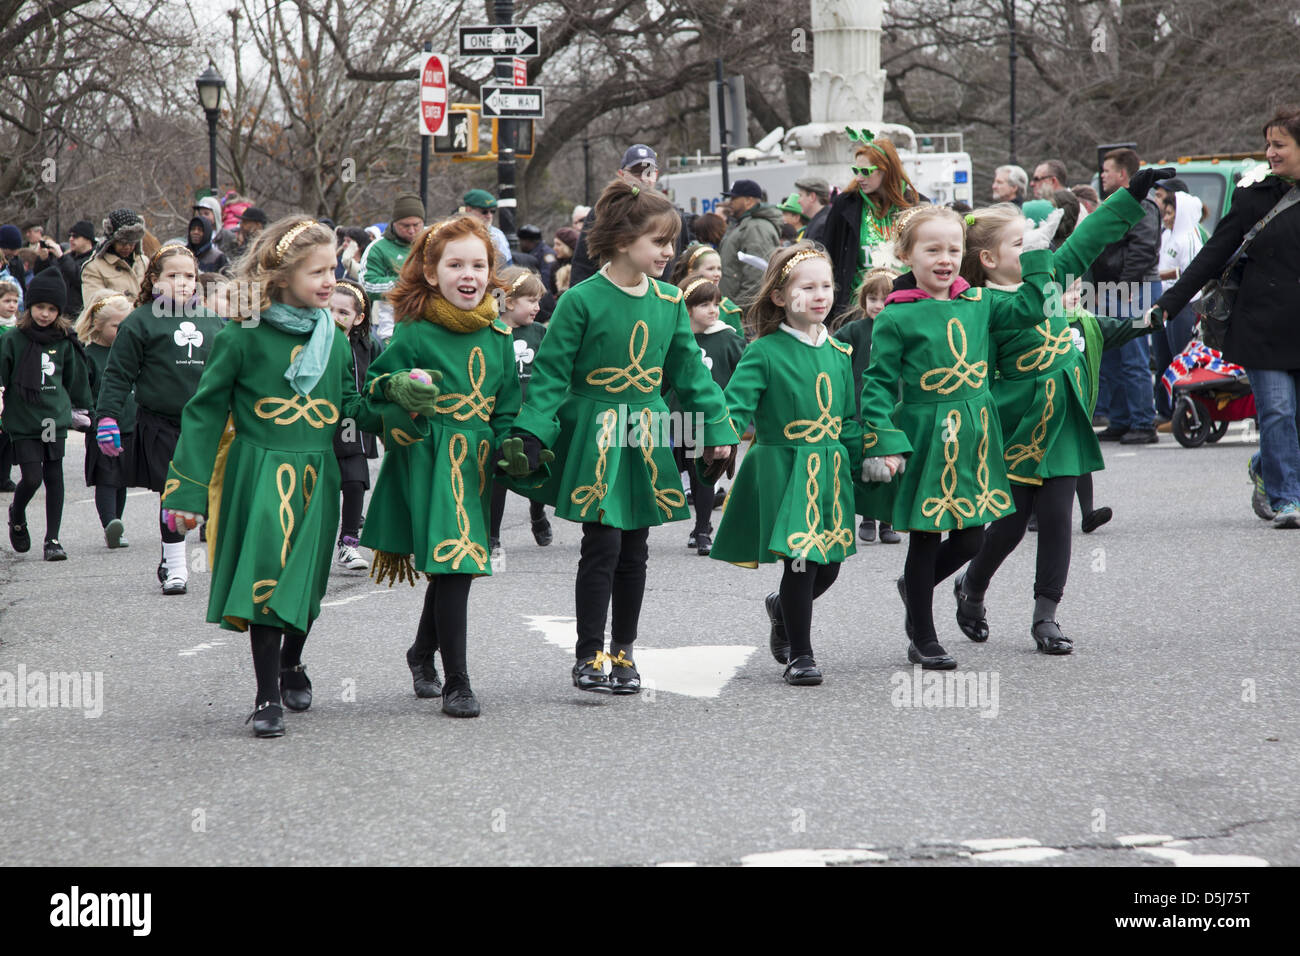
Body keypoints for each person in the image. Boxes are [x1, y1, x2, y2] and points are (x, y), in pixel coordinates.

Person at [159, 217, 405, 738]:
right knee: (266, 575)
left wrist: (397, 402)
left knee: (308, 584)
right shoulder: (243, 335)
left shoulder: (335, 340)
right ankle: (266, 694)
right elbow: (204, 412)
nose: (329, 281)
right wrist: (187, 489)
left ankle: (294, 660)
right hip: (258, 468)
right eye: (317, 271)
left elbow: (351, 409)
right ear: (282, 275)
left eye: (334, 269)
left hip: (319, 472)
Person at [510, 179, 739, 694]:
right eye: (658, 241)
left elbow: (690, 374)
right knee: (603, 544)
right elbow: (550, 375)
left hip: (648, 428)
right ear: (620, 242)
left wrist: (718, 431)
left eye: (672, 241)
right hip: (595, 433)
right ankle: (589, 653)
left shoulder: (669, 301)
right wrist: (532, 431)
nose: (668, 251)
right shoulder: (579, 300)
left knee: (636, 547)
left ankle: (624, 652)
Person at [953, 169, 1171, 655]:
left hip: (1065, 422)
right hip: (1018, 426)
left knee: (1056, 518)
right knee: (1008, 526)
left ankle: (1045, 616)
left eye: (1034, 243)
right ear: (988, 259)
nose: (1036, 249)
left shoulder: (1048, 281)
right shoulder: (983, 303)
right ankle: (972, 587)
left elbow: (1087, 242)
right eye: (1021, 244)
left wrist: (1130, 195)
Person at [856, 206, 1057, 670]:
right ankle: (923, 636)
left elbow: (1035, 307)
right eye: (932, 249)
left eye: (953, 249)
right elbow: (879, 384)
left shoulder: (978, 302)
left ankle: (916, 586)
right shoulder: (895, 318)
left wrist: (1039, 259)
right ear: (907, 255)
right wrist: (883, 440)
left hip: (973, 437)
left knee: (969, 540)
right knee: (926, 538)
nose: (945, 258)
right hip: (926, 436)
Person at [360, 216, 543, 719]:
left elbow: (507, 406)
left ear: (492, 273)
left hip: (476, 466)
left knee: (451, 568)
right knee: (455, 564)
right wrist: (400, 389)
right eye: (455, 263)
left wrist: (512, 444)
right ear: (431, 272)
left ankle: (421, 653)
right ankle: (457, 682)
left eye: (479, 264)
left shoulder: (500, 336)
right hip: (429, 457)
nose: (469, 274)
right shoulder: (415, 331)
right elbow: (375, 387)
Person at [708, 243, 859, 685]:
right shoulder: (765, 351)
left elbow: (848, 420)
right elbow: (734, 407)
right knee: (800, 561)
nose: (820, 295)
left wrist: (871, 461)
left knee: (827, 566)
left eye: (827, 286)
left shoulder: (839, 354)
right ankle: (801, 655)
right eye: (807, 286)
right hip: (783, 470)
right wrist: (720, 438)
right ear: (779, 296)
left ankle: (780, 608)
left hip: (829, 471)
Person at [1151, 105, 1300, 527]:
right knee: (1276, 411)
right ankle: (1287, 499)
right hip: (1260, 324)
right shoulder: (1253, 195)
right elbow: (1214, 254)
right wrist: (1169, 304)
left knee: (1295, 420)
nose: (1270, 152)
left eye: (1279, 145)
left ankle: (1265, 467)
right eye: (1268, 144)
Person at [94, 244, 224, 595]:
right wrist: (106, 418)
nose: (182, 282)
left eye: (189, 276)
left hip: (205, 425)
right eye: (172, 275)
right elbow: (118, 374)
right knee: (174, 493)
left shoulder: (214, 321)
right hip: (160, 423)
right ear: (153, 279)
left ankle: (195, 560)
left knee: (209, 495)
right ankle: (176, 565)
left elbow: (233, 373)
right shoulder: (140, 321)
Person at [0, 270, 92, 560]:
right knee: (31, 477)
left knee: (54, 474)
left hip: (52, 419)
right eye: (40, 307)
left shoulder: (64, 341)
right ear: (30, 307)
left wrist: (86, 411)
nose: (45, 314)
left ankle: (52, 540)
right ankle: (17, 513)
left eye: (52, 309)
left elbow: (75, 381)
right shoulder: (13, 339)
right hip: (23, 420)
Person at [664, 276, 744, 556]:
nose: (713, 310)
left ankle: (702, 530)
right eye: (704, 305)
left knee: (704, 475)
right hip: (680, 418)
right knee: (677, 468)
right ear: (687, 309)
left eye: (716, 304)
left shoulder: (730, 339)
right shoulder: (676, 338)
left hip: (711, 421)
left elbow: (743, 380)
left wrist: (733, 417)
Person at [820, 129, 924, 324]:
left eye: (865, 171)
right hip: (858, 312)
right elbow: (828, 255)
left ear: (886, 171)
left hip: (907, 309)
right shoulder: (846, 204)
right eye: (856, 170)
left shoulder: (916, 206)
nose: (859, 177)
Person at [1093, 148, 1162, 444]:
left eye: (1107, 170)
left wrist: (1127, 286)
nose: (1102, 175)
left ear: (1123, 174)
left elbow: (1143, 247)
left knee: (1133, 357)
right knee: (1111, 357)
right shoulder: (1116, 203)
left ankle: (1143, 422)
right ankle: (1120, 419)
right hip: (1112, 288)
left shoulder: (1142, 204)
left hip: (1133, 288)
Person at [488, 266, 553, 556]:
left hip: (530, 415)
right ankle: (492, 535)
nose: (538, 308)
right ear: (510, 301)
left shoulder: (540, 333)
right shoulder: (490, 331)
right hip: (500, 414)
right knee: (498, 474)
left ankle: (537, 513)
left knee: (533, 465)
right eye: (531, 301)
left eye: (539, 301)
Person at [833, 266, 900, 544]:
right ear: (864, 301)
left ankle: (888, 521)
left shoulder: (900, 328)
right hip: (860, 405)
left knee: (892, 463)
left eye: (885, 299)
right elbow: (832, 353)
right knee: (866, 461)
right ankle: (867, 517)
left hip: (892, 406)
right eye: (873, 298)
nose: (878, 305)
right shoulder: (855, 330)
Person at [329, 279, 384, 571]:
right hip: (321, 422)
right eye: (330, 311)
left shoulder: (369, 345)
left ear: (359, 317)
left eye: (343, 313)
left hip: (354, 422)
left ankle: (349, 543)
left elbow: (377, 380)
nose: (336, 318)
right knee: (320, 488)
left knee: (354, 483)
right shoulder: (315, 340)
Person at [76, 291, 136, 548]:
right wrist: (92, 417)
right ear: (98, 326)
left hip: (129, 426)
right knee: (106, 478)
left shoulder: (131, 353)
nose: (122, 331)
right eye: (116, 326)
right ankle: (109, 522)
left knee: (121, 479)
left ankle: (116, 526)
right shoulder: (89, 356)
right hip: (103, 428)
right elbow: (82, 392)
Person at [569, 144, 667, 287]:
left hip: (655, 296)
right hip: (610, 294)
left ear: (656, 175)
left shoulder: (668, 212)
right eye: (636, 172)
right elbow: (583, 263)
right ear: (622, 174)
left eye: (649, 172)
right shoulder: (603, 211)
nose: (643, 178)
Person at [1151, 190, 1204, 420]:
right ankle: (1166, 409)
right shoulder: (1166, 236)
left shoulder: (1189, 238)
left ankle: (1188, 408)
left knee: (1181, 358)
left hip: (1184, 305)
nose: (1166, 217)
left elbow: (1188, 274)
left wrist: (1156, 276)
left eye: (1170, 213)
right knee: (1164, 359)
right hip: (1164, 302)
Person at [360, 192, 426, 344]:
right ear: (394, 223)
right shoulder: (378, 248)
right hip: (391, 328)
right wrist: (405, 282)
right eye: (405, 226)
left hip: (429, 324)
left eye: (416, 225)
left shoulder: (432, 243)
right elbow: (366, 285)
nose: (411, 230)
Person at [717, 179, 782, 309]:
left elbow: (757, 277)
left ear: (749, 200)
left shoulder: (756, 227)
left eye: (734, 198)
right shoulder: (742, 224)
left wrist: (738, 310)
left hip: (744, 315)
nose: (729, 202)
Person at [671, 243, 744, 336]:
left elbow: (737, 346)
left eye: (719, 269)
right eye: (710, 269)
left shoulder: (729, 310)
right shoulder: (674, 301)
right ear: (691, 272)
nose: (717, 274)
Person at [81, 209, 147, 304]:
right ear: (111, 241)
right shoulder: (93, 268)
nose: (128, 247)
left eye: (132, 243)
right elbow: (95, 306)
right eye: (123, 243)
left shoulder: (143, 262)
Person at [460, 190, 512, 267]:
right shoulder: (456, 231)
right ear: (469, 210)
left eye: (492, 211)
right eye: (484, 212)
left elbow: (507, 265)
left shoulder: (497, 235)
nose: (489, 216)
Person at [516, 224, 557, 293]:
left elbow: (546, 279)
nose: (520, 244)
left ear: (528, 241)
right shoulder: (533, 252)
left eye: (521, 241)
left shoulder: (546, 255)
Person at [795, 177, 832, 242]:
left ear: (812, 197)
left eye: (800, 195)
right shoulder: (820, 221)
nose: (798, 201)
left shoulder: (822, 225)